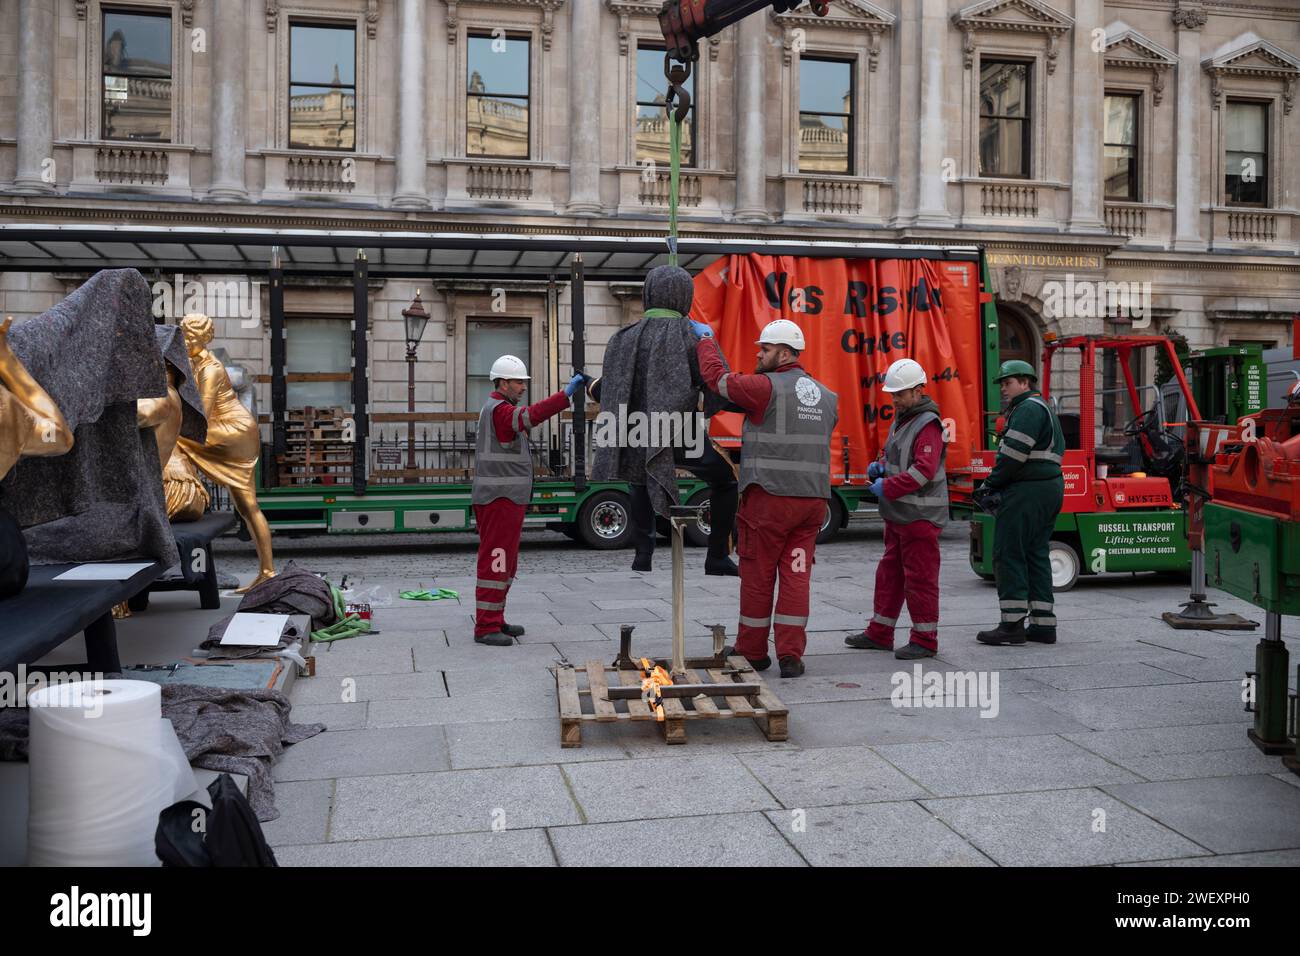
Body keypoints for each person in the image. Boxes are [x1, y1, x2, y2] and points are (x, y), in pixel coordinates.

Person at [696, 318, 837, 678]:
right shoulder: (827, 396)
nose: (759, 354)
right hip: (813, 502)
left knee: (758, 575)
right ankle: (791, 656)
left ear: (785, 352)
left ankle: (753, 652)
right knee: (796, 576)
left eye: (766, 348)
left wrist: (708, 341)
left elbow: (719, 380)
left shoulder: (765, 387)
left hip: (769, 499)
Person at [590, 265, 738, 575]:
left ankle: (643, 553)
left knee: (638, 476)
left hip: (636, 433)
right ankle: (717, 557)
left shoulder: (622, 338)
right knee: (725, 481)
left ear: (648, 293)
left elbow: (611, 389)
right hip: (679, 433)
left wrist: (590, 386)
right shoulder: (692, 334)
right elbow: (717, 384)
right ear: (686, 295)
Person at [472, 354, 585, 646]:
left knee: (505, 562)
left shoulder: (498, 408)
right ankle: (485, 626)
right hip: (499, 498)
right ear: (503, 382)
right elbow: (530, 416)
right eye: (519, 382)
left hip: (504, 498)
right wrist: (565, 395)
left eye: (523, 382)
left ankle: (495, 618)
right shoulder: (500, 410)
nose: (523, 387)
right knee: (496, 562)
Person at [845, 358, 948, 659]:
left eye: (900, 393)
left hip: (920, 516)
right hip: (900, 514)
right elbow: (899, 458)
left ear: (918, 391)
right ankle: (880, 632)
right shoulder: (904, 418)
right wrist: (881, 468)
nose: (894, 399)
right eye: (892, 394)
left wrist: (887, 487)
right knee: (889, 575)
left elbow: (923, 472)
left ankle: (925, 640)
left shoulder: (928, 423)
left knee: (920, 579)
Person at [975, 359, 1066, 646]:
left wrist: (990, 483)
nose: (1003, 388)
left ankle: (1011, 624)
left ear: (1025, 382)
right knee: (1035, 553)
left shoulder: (1027, 409)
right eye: (1002, 383)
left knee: (1009, 552)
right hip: (1047, 488)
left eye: (1008, 382)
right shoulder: (1041, 407)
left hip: (1026, 490)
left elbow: (1012, 456)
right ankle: (1042, 625)